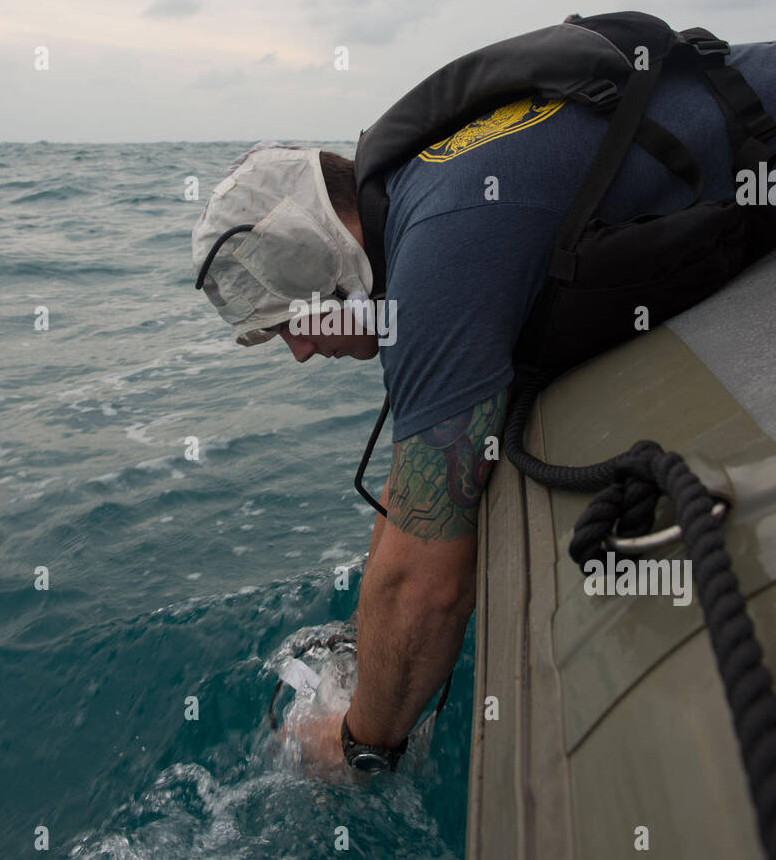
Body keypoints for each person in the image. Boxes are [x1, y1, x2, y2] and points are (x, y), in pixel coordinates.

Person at [191, 38, 776, 773]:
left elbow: (428, 586)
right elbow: (414, 488)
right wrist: (358, 638)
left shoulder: (438, 254)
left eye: (287, 324)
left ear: (315, 257)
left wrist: (354, 745)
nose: (300, 352)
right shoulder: (420, 193)